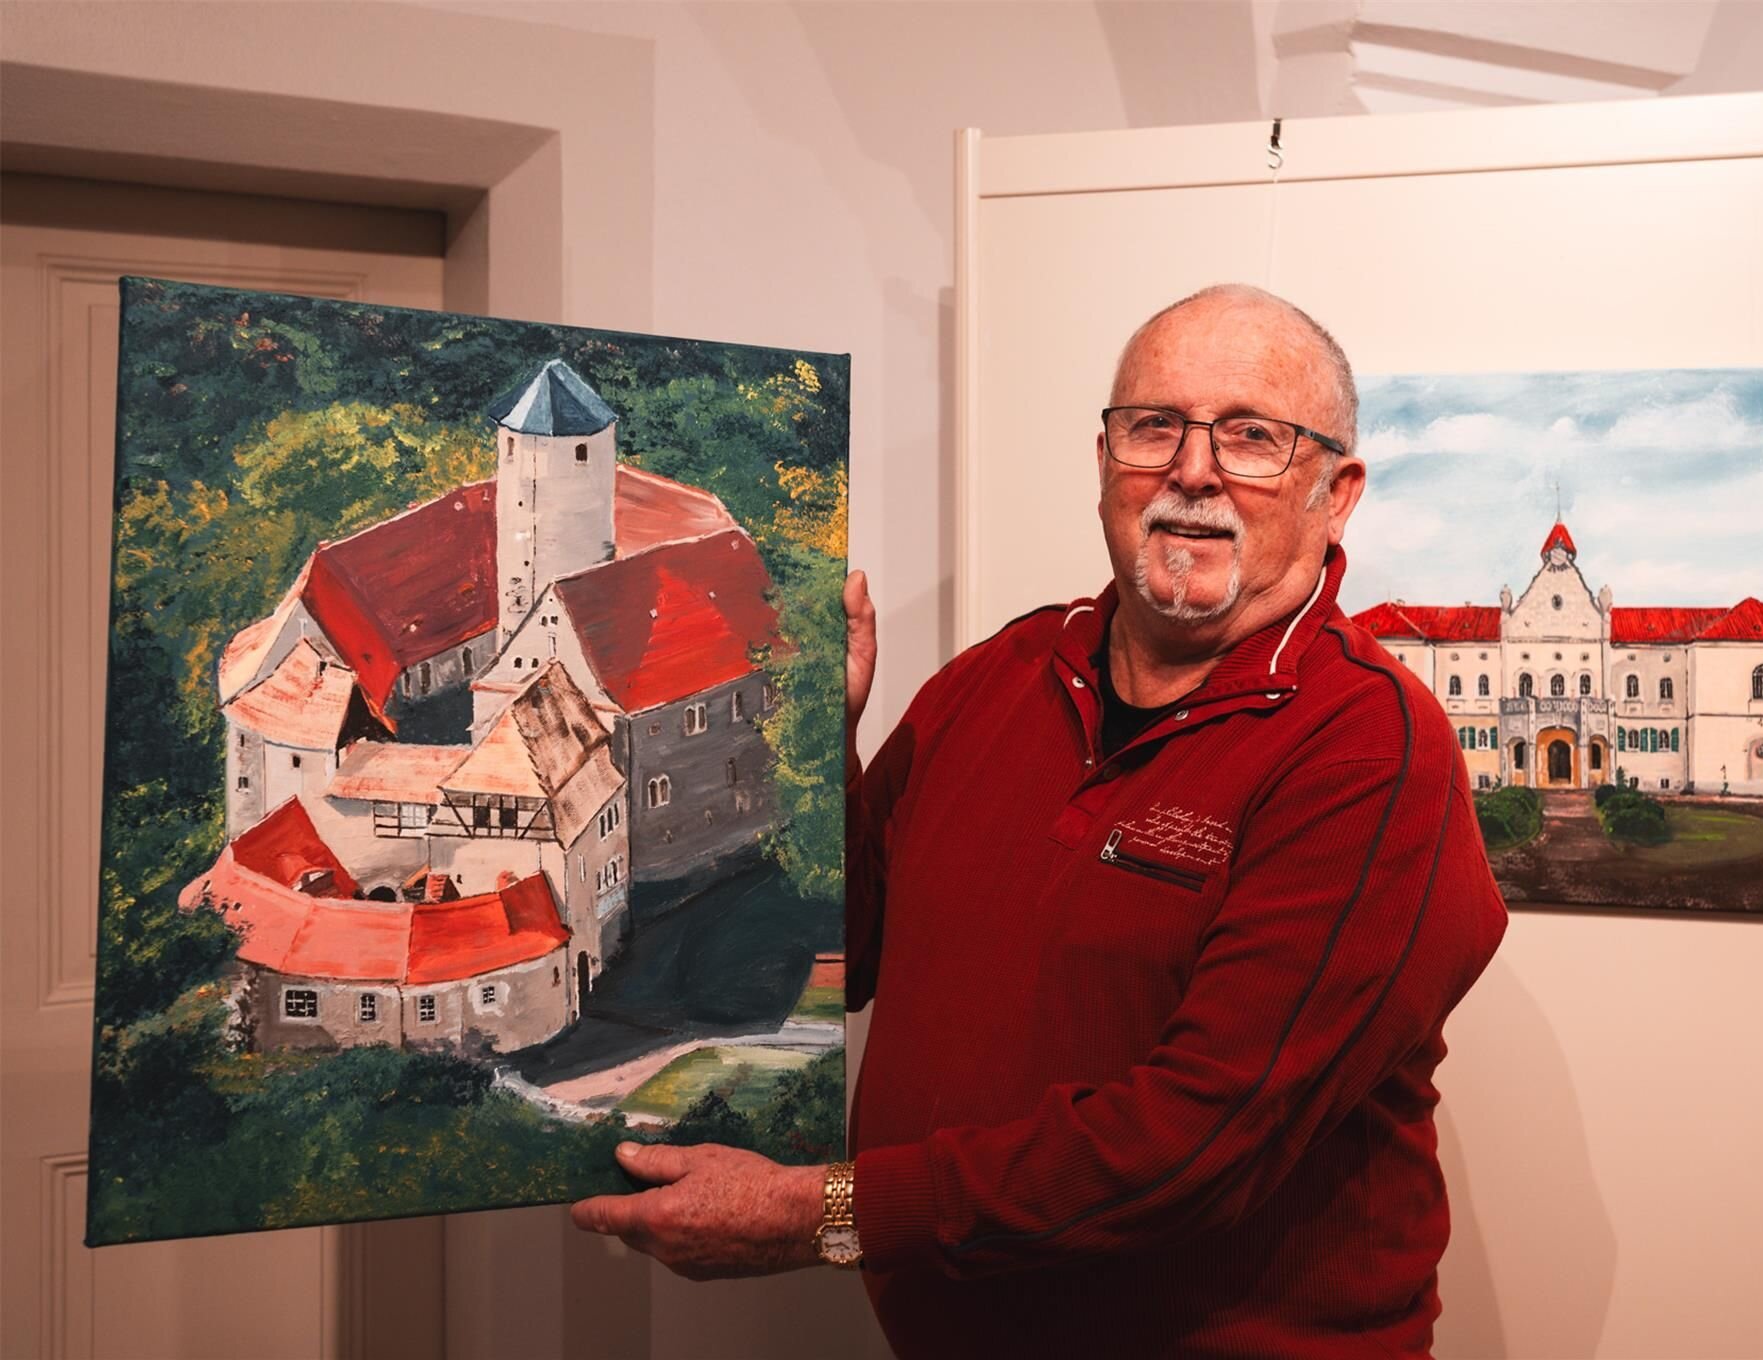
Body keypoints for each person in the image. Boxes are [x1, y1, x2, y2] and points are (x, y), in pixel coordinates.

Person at [573, 284, 1508, 1356]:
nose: (1193, 470)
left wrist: (820, 1215)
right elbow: (844, 948)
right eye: (1154, 426)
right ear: (1106, 462)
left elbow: (1196, 1145)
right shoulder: (998, 677)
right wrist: (810, 742)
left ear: (1336, 495)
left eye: (1253, 437)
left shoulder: (1368, 750)